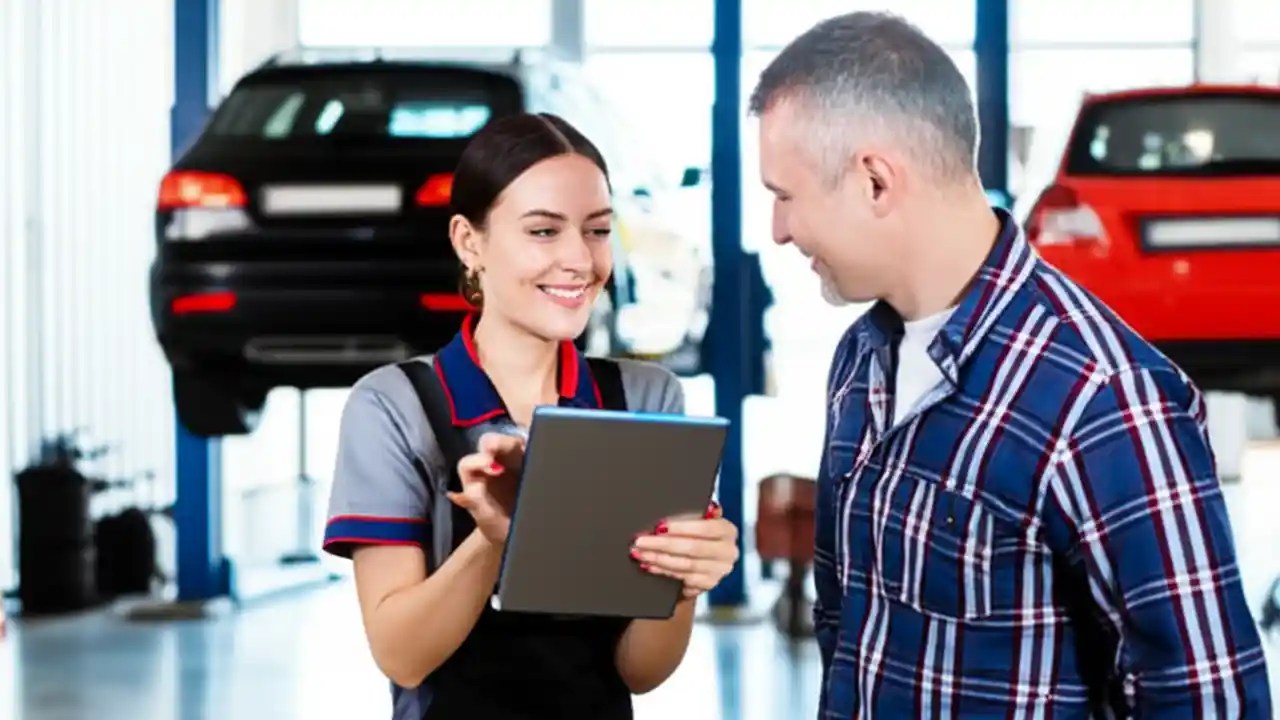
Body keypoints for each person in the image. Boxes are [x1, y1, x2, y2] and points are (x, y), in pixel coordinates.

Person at [749, 11, 1272, 719]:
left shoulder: (1105, 400)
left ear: (875, 181)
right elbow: (848, 637)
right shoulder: (858, 363)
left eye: (785, 196)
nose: (778, 230)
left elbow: (1205, 699)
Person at [320, 112, 740, 720]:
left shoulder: (647, 401)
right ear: (470, 242)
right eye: (543, 232)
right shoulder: (395, 406)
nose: (579, 259)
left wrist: (683, 583)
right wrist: (495, 537)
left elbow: (640, 672)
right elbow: (402, 655)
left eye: (597, 231)